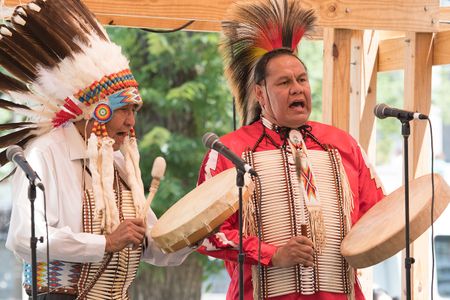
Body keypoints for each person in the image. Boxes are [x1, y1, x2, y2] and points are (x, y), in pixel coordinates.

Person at [1, 0, 192, 299]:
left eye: (135, 110)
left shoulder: (117, 162)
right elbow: (26, 237)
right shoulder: (45, 154)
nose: (131, 121)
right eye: (123, 110)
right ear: (94, 111)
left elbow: (152, 247)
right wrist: (105, 243)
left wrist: (193, 232)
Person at [197, 0, 385, 299]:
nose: (297, 88)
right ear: (260, 93)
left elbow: (379, 217)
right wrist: (271, 253)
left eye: (302, 79)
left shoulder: (343, 144)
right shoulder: (229, 151)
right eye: (284, 82)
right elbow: (205, 234)